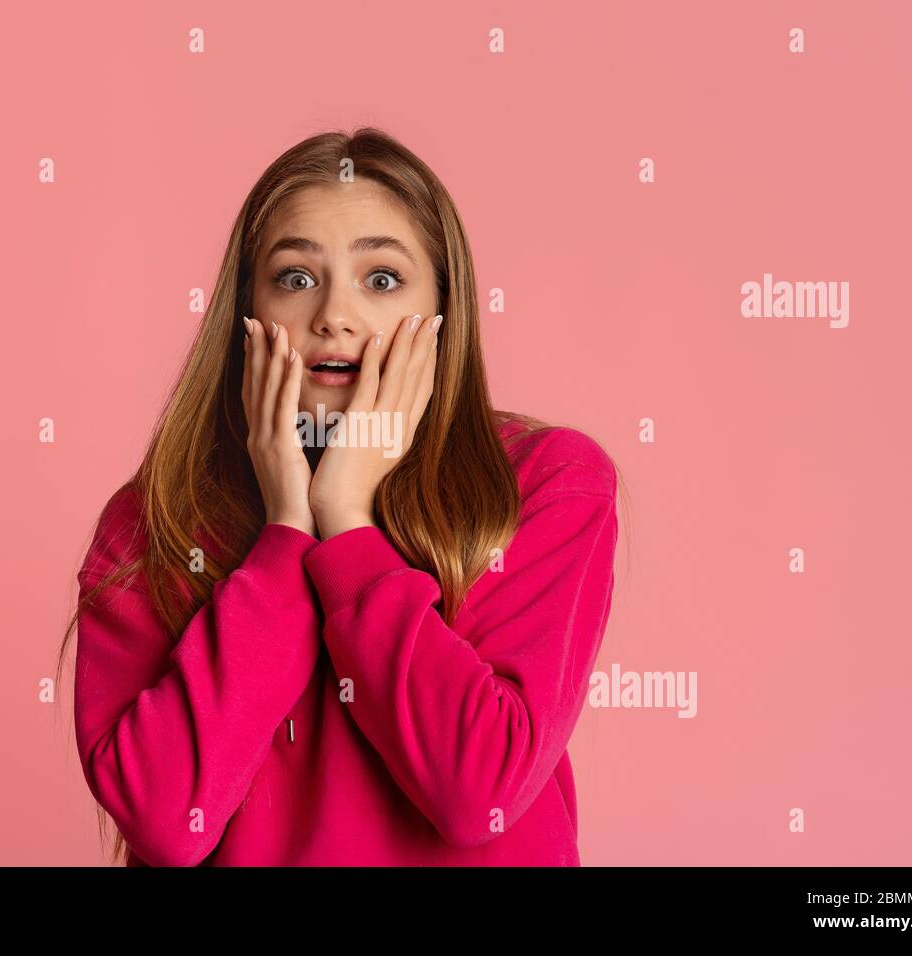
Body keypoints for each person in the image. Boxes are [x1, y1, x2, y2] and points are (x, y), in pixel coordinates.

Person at [57, 127, 623, 866]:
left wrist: (348, 520)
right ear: (245, 313)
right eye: (295, 278)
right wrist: (288, 531)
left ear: (444, 314)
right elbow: (169, 821)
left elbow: (477, 789)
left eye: (381, 279)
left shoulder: (549, 483)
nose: (334, 315)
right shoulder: (153, 523)